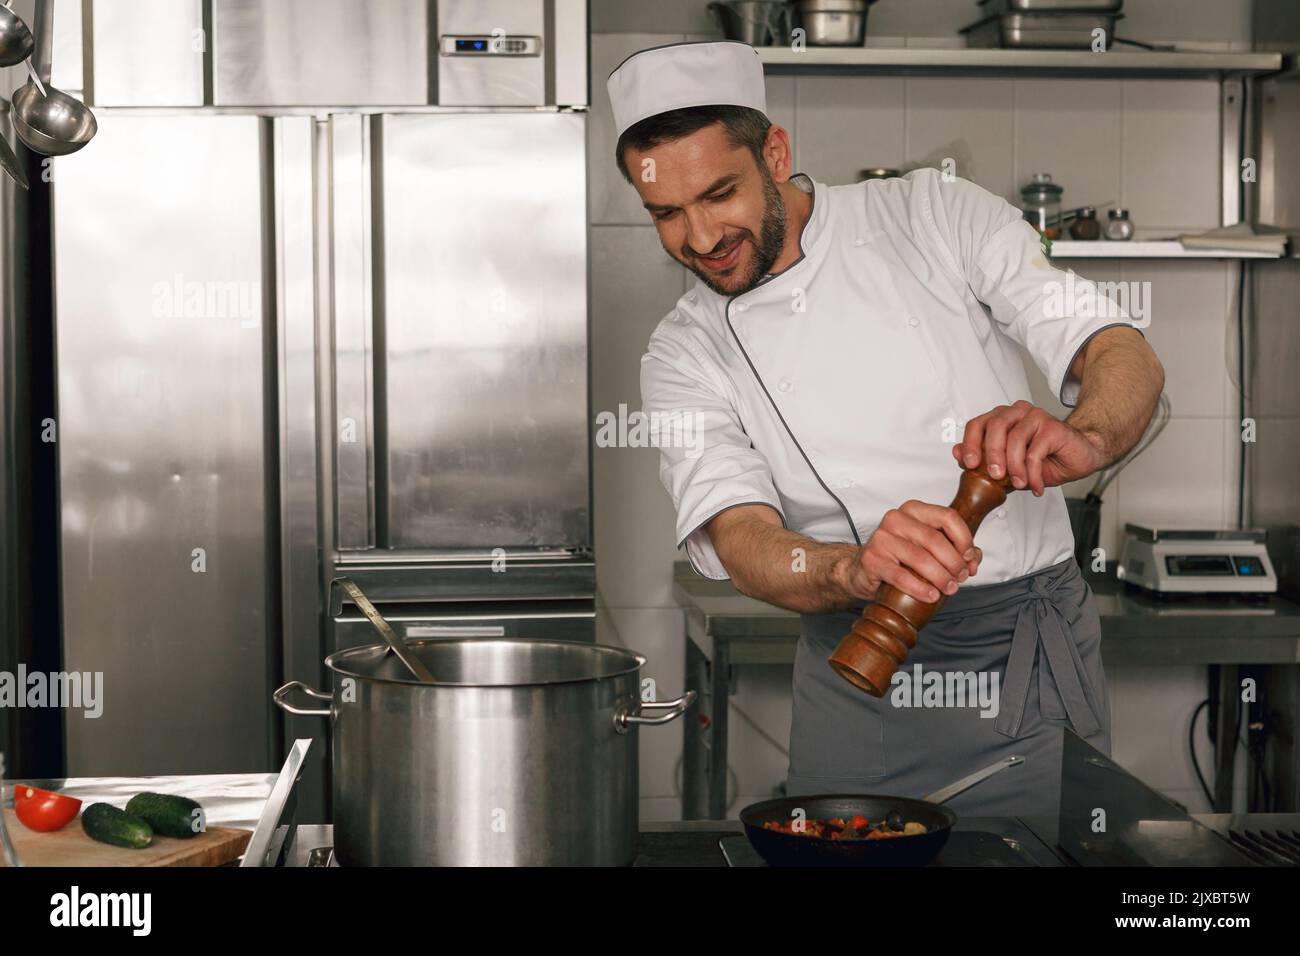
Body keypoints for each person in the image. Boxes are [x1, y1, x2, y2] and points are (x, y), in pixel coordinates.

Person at [607, 41, 1165, 815]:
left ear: (775, 152)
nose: (700, 238)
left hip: (1027, 660)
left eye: (719, 194)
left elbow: (1114, 346)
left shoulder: (932, 213)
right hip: (856, 671)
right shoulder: (682, 350)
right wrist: (853, 571)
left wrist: (1091, 435)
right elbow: (739, 538)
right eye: (666, 214)